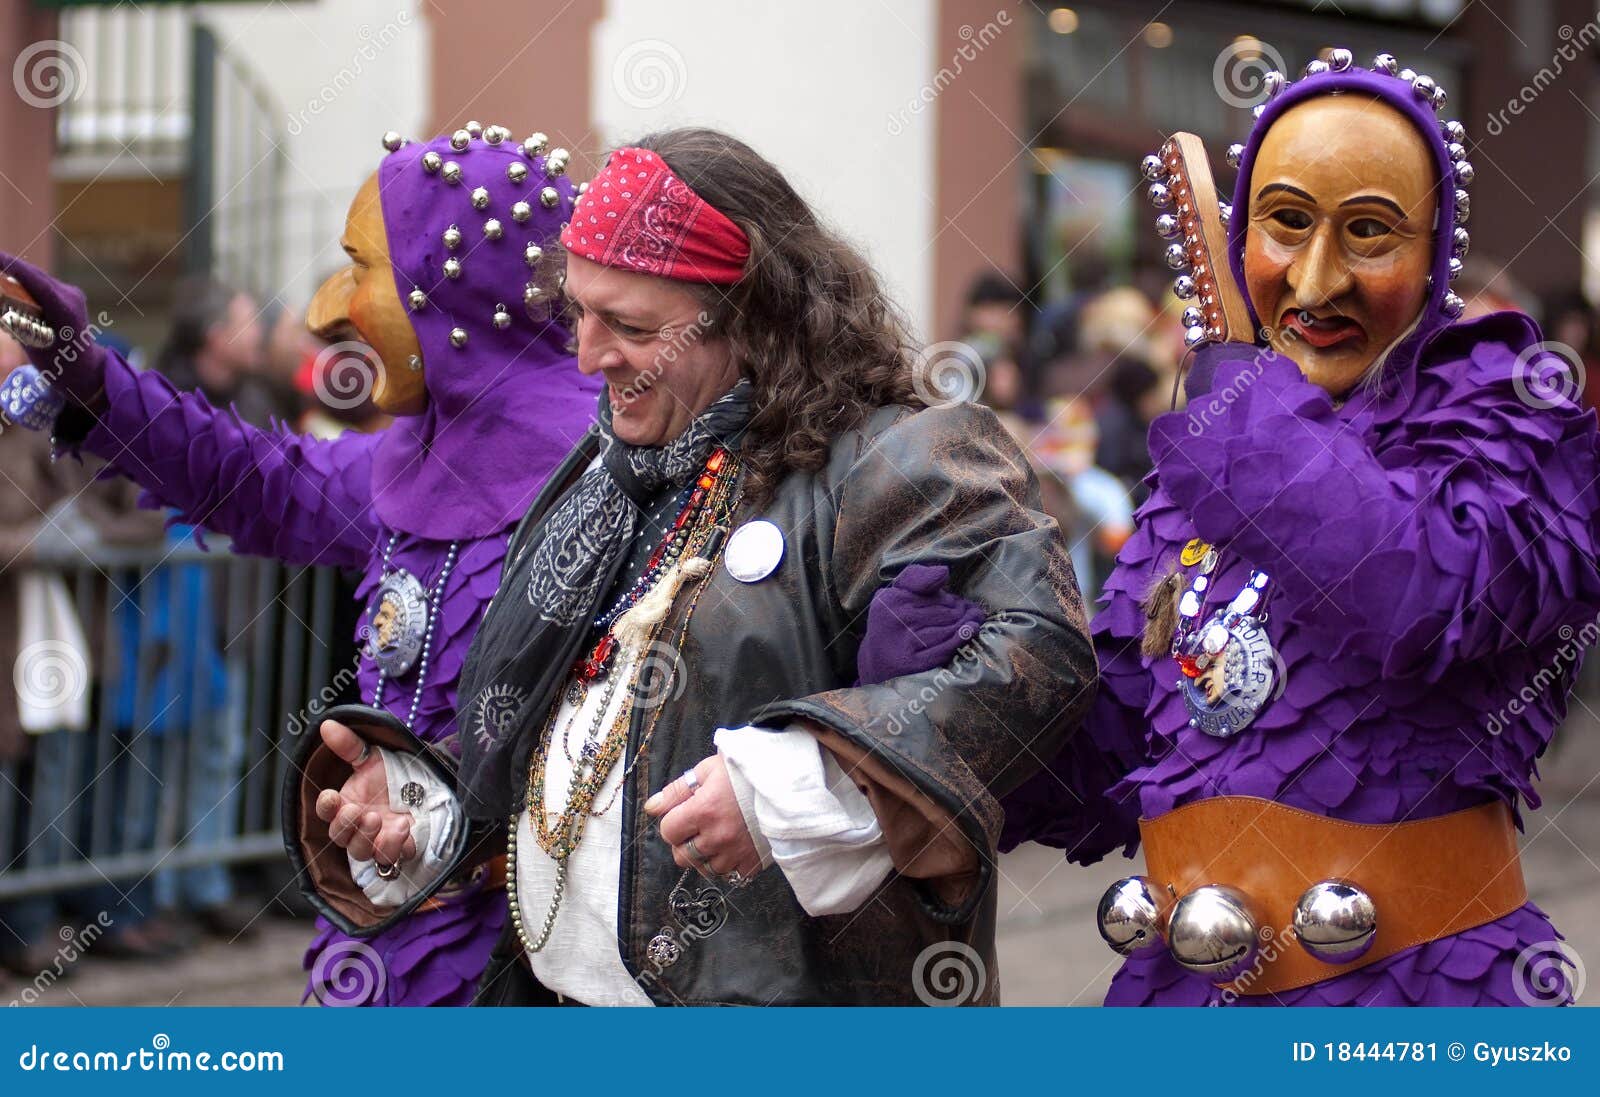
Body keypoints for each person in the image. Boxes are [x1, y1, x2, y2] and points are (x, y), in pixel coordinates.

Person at [299, 128, 1096, 1006]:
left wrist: (785, 785)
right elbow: (585, 724)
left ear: (750, 317)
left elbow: (1041, 651)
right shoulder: (610, 470)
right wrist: (425, 801)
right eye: (579, 312)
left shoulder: (901, 454)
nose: (588, 355)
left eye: (631, 327)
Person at [1005, 49, 1600, 1005]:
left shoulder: (1510, 412)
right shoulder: (1217, 449)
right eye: (1285, 224)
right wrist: (946, 670)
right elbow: (1113, 744)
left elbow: (1418, 594)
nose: (1315, 282)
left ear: (1435, 249)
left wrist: (1246, 415)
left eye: (1369, 233)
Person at [0, 121, 601, 1004]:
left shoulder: (617, 478)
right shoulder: (412, 459)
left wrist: (437, 796)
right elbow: (253, 477)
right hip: (380, 941)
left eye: (363, 268)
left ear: (452, 294)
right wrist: (89, 380)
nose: (326, 309)